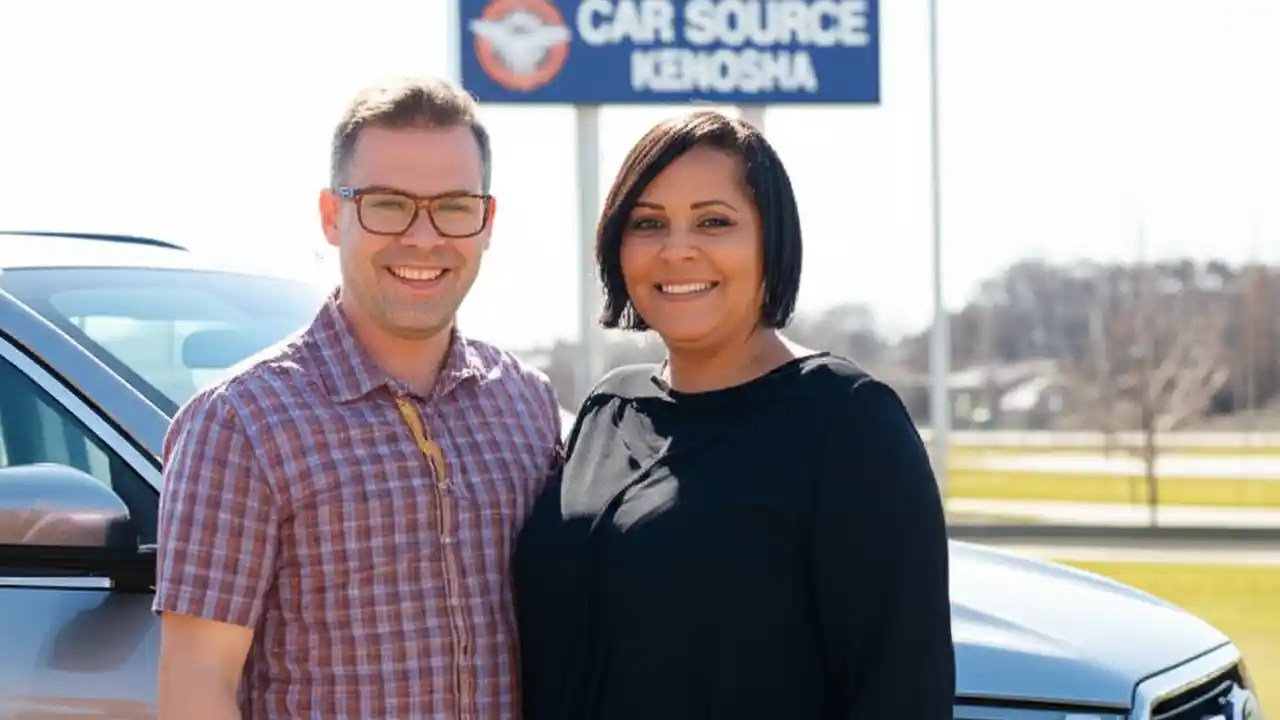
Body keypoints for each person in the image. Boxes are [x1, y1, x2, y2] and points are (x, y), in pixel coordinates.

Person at [514, 110, 955, 719]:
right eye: (648, 223)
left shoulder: (847, 424)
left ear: (771, 243)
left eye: (714, 222)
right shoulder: (608, 410)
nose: (677, 250)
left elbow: (902, 692)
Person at [153, 76, 563, 719]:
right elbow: (196, 680)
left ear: (487, 221)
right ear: (331, 215)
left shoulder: (527, 407)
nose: (423, 237)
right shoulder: (241, 423)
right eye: (388, 203)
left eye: (454, 205)